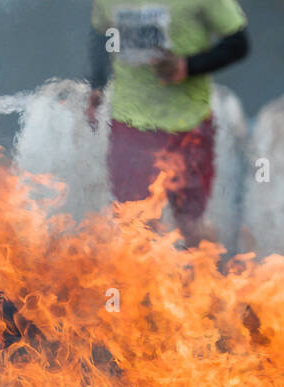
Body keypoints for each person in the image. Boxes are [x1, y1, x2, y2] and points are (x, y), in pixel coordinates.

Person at [86, 0, 249, 240]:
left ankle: (209, 271)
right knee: (134, 223)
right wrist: (96, 85)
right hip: (129, 125)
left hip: (187, 126)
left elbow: (238, 43)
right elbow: (100, 34)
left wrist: (188, 66)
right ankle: (141, 276)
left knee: (191, 224)